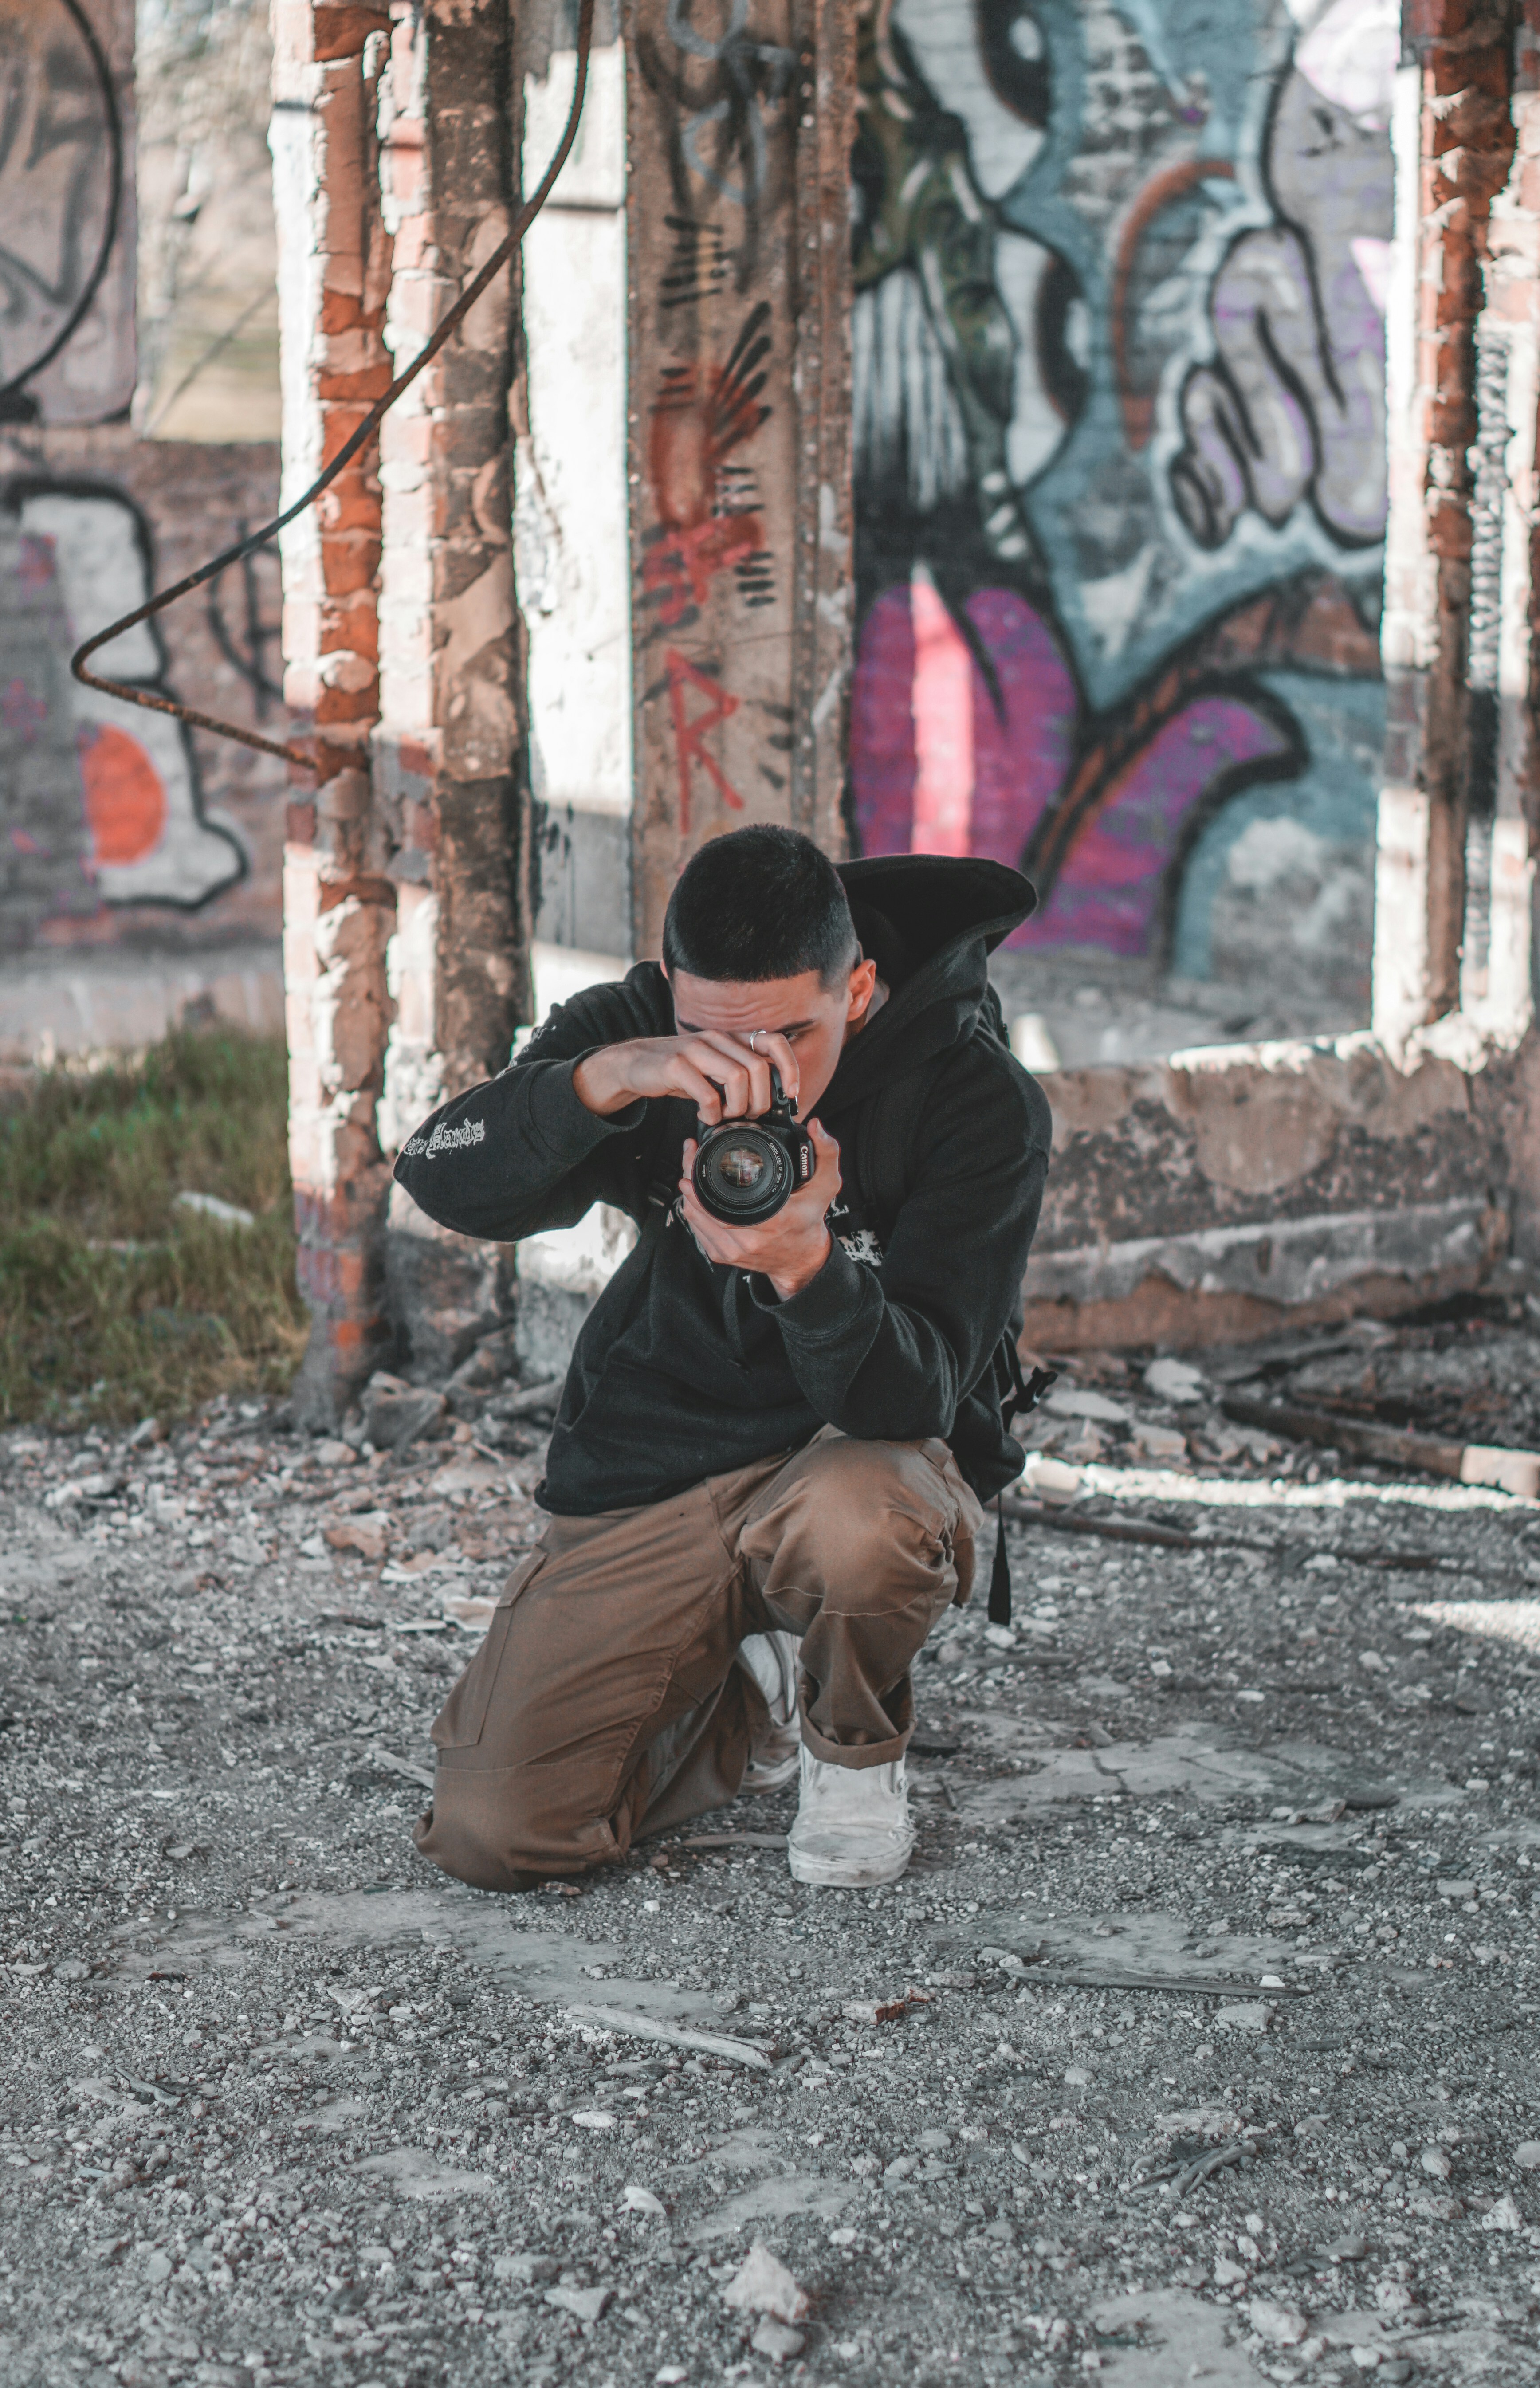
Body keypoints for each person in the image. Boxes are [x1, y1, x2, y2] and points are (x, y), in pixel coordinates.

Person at [393, 827, 1052, 1892]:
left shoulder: (977, 1100)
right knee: (496, 1832)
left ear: (860, 987)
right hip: (661, 1459)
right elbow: (436, 1172)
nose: (761, 1074)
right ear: (668, 991)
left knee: (860, 1514)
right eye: (713, 1035)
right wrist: (608, 1078)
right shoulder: (636, 1035)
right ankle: (751, 1705)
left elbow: (916, 1392)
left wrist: (807, 1267)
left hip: (856, 1458)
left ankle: (852, 1754)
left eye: (794, 1031)